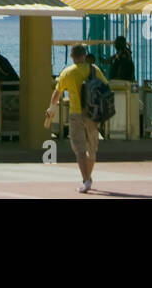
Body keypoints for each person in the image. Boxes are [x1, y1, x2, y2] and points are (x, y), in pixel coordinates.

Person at [47, 43, 108, 193]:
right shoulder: (94, 70)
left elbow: (57, 94)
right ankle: (89, 178)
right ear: (85, 55)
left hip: (76, 114)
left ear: (72, 56)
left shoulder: (68, 72)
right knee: (92, 150)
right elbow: (106, 88)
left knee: (80, 150)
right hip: (93, 115)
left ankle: (86, 180)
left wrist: (51, 108)